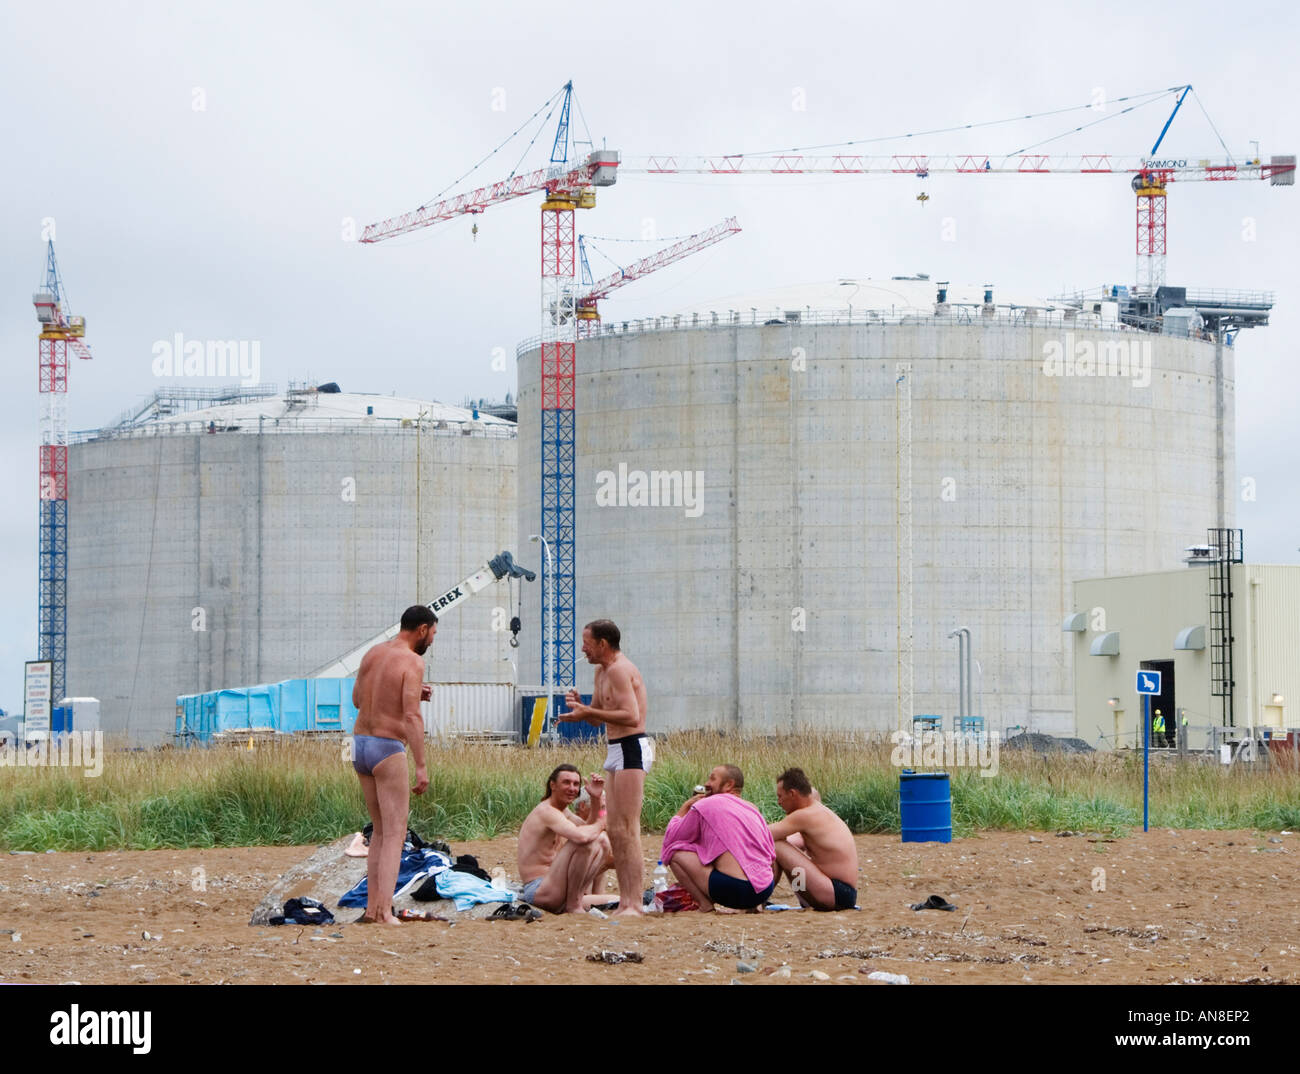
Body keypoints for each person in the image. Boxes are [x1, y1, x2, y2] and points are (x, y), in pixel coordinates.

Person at [556, 619, 649, 917]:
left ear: (603, 644)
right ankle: (625, 901)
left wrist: (589, 711)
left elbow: (631, 716)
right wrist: (580, 713)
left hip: (632, 746)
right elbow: (599, 718)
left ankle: (635, 903)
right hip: (614, 748)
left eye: (586, 643)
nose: (582, 648)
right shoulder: (600, 672)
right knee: (616, 830)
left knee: (627, 827)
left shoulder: (621, 669)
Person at [348, 605, 434, 925]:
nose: (433, 641)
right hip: (387, 748)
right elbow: (411, 716)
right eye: (433, 634)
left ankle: (372, 909)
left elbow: (359, 700)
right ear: (422, 629)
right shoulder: (413, 661)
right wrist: (421, 765)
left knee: (379, 833)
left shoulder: (373, 653)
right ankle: (385, 911)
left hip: (360, 746)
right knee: (395, 834)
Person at [660, 764, 776, 912]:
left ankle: (705, 905)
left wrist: (685, 808)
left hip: (735, 889)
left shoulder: (706, 804)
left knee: (674, 853)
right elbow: (771, 854)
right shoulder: (752, 808)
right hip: (765, 889)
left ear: (729, 784)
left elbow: (673, 837)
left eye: (712, 779)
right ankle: (754, 906)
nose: (707, 784)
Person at [516, 764, 612, 913]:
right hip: (540, 890)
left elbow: (589, 828)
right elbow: (582, 836)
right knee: (585, 841)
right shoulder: (546, 811)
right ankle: (574, 905)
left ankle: (578, 899)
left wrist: (596, 799)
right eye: (566, 782)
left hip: (556, 885)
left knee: (602, 840)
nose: (572, 788)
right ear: (552, 785)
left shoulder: (563, 811)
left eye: (576, 784)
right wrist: (602, 821)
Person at [769, 767, 860, 911]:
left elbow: (763, 835)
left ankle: (757, 899)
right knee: (777, 847)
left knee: (775, 844)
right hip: (840, 894)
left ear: (792, 794)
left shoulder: (806, 815)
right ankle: (761, 898)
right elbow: (792, 844)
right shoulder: (818, 811)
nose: (779, 802)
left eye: (780, 796)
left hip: (837, 892)